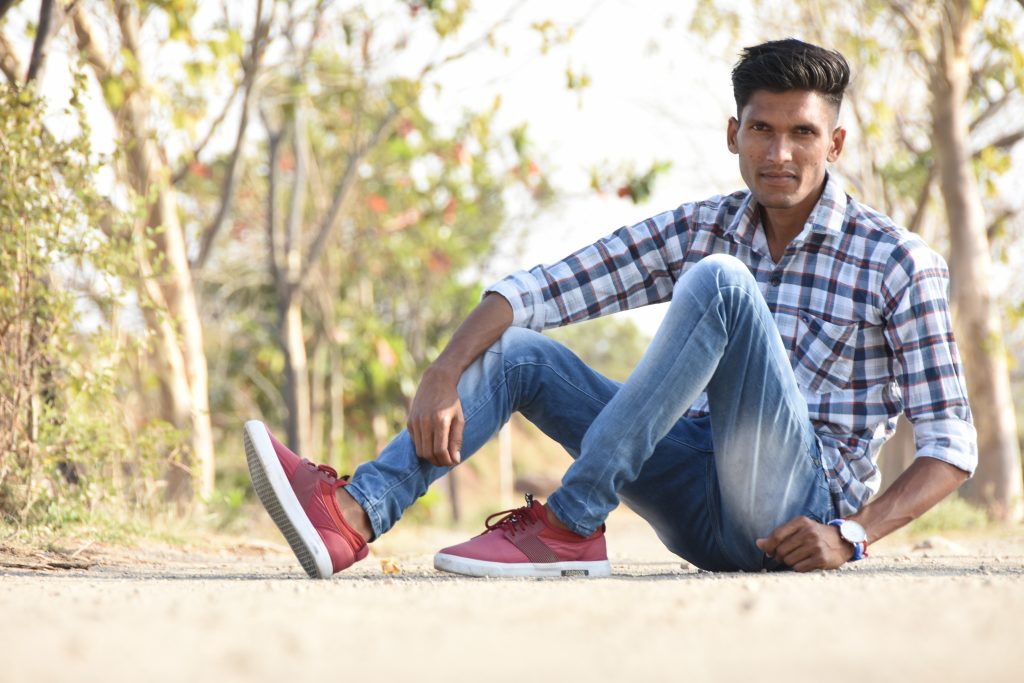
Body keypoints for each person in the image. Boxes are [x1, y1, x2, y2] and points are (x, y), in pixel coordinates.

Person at [243, 38, 977, 579]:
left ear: (835, 143)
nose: (779, 153)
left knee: (722, 283)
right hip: (692, 497)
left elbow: (951, 444)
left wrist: (852, 534)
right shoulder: (704, 225)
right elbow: (547, 287)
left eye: (802, 133)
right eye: (762, 129)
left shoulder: (897, 261)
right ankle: (353, 514)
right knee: (520, 351)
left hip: (793, 515)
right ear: (734, 135)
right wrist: (442, 369)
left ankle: (571, 520)